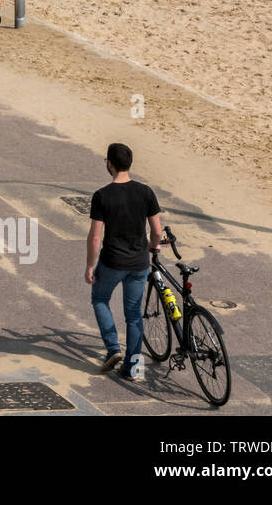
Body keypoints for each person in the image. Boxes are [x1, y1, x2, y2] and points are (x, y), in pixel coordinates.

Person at [87, 143, 163, 382]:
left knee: (99, 298)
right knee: (133, 314)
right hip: (139, 264)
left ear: (110, 164)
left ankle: (112, 349)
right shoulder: (145, 191)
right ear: (129, 164)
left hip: (112, 263)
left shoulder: (102, 196)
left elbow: (95, 237)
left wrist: (90, 265)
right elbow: (157, 231)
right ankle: (133, 368)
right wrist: (152, 246)